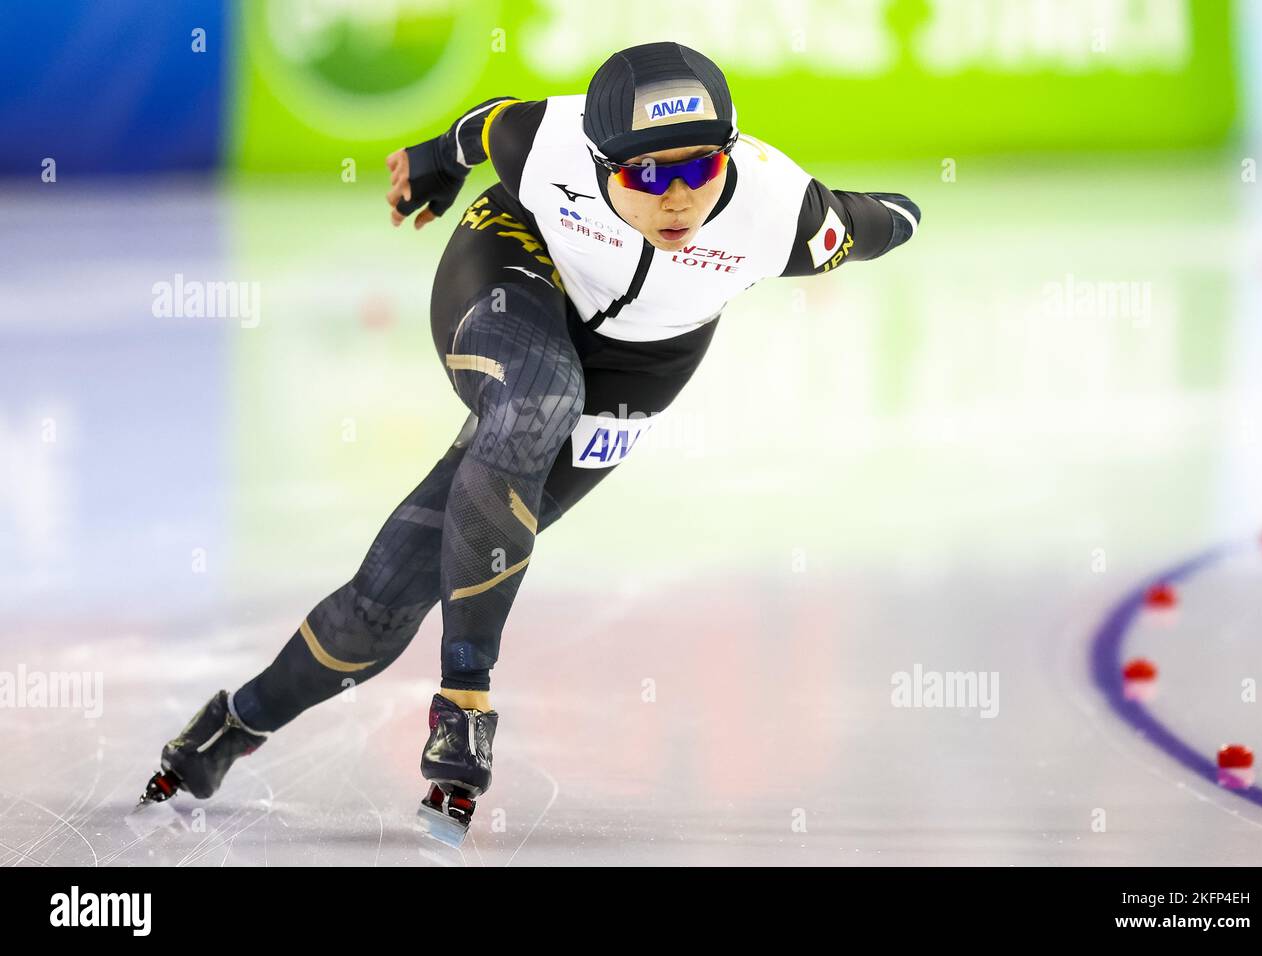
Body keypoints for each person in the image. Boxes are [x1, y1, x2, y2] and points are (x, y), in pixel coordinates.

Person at [139, 41, 921, 841]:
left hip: (641, 368)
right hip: (517, 264)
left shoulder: (785, 216)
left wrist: (906, 212)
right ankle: (465, 700)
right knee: (540, 398)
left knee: (388, 598)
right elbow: (485, 127)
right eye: (647, 174)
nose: (679, 195)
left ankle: (229, 728)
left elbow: (881, 221)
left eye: (700, 169)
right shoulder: (549, 145)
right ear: (599, 161)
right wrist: (433, 162)